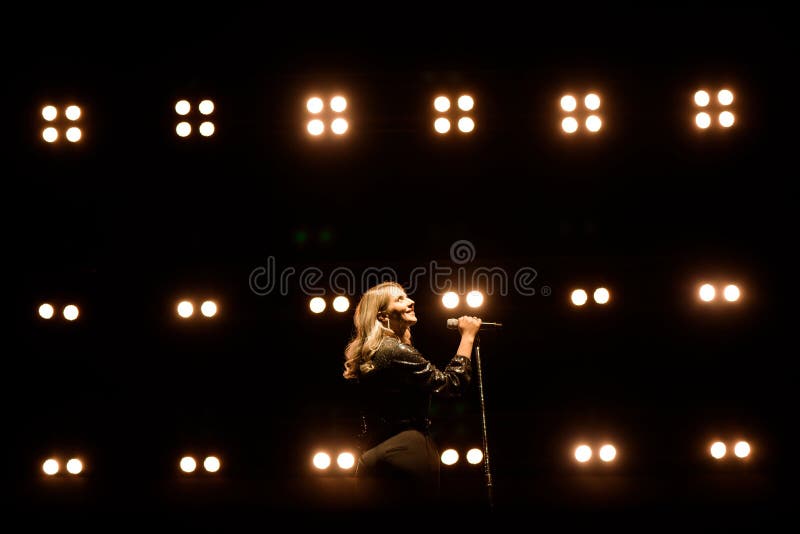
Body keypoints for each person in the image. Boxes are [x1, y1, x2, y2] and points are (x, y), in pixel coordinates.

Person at [343, 281, 482, 509]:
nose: (411, 301)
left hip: (370, 455)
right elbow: (450, 385)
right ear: (382, 316)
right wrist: (467, 337)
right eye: (399, 299)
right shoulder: (395, 350)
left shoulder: (371, 355)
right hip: (406, 449)